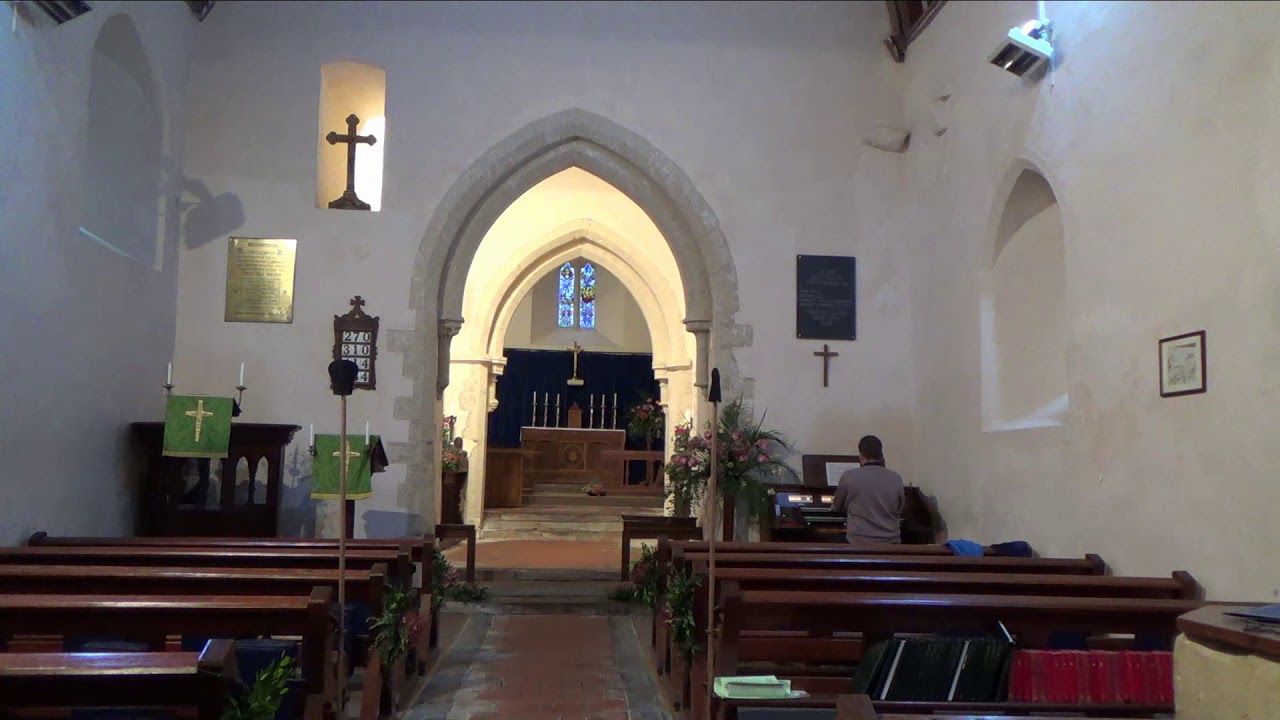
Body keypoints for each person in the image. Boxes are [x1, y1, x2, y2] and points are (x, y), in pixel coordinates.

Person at [832, 435, 904, 544]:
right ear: (882, 456)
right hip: (890, 542)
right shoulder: (896, 478)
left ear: (861, 456)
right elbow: (899, 509)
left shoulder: (849, 476)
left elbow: (837, 506)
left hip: (858, 541)